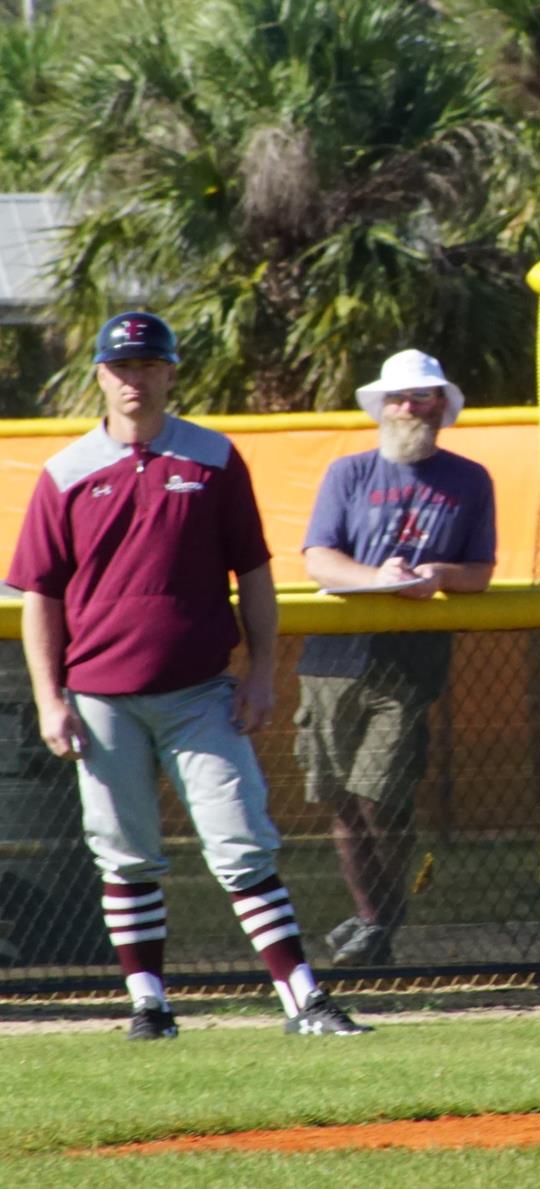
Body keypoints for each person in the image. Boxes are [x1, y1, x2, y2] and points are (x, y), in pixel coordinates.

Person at [9, 311, 370, 1039]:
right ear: (100, 376)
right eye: (120, 366)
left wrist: (263, 673)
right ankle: (149, 1004)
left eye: (147, 364)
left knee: (241, 841)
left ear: (171, 372)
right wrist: (50, 699)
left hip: (202, 691)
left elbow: (256, 575)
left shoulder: (212, 457)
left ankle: (303, 999)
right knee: (126, 852)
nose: (133, 378)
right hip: (101, 696)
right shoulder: (66, 471)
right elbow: (39, 595)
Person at [295, 349, 495, 968]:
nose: (410, 407)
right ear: (381, 406)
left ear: (442, 405)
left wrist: (437, 573)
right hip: (331, 659)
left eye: (423, 397)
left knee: (383, 797)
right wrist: (377, 577)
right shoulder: (347, 473)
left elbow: (481, 573)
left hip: (408, 668)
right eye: (400, 397)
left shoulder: (470, 479)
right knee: (343, 802)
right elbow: (318, 559)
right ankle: (370, 923)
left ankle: (381, 921)